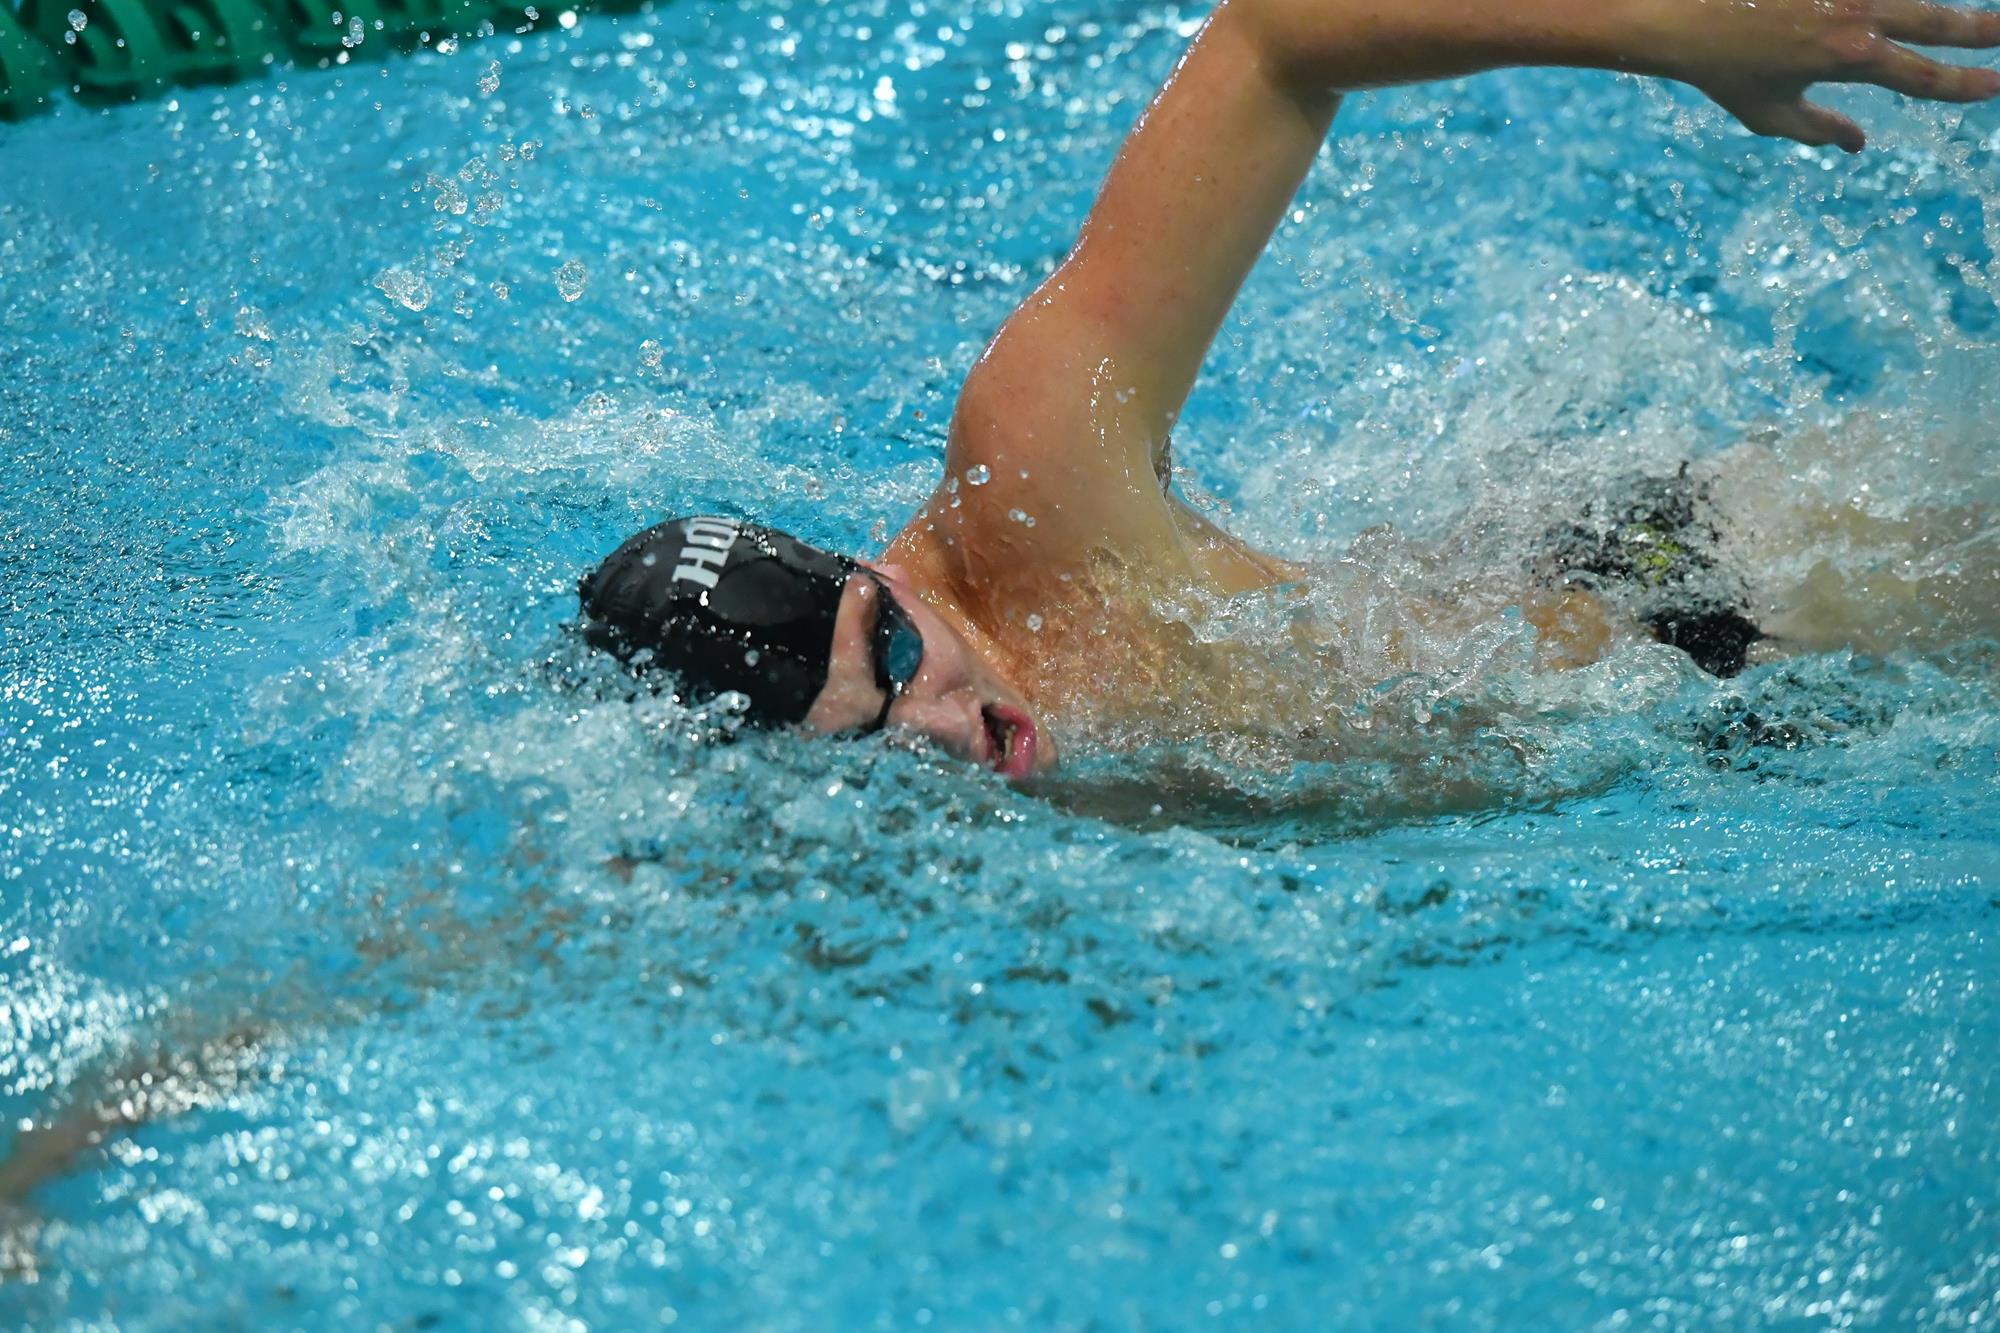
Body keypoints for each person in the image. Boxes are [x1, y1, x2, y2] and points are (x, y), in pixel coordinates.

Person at [579, 0, 2000, 778]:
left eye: (892, 654)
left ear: (867, 576)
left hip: (1702, 604)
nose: (945, 727)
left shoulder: (1032, 484)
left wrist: (1676, 32)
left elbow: (1277, 38)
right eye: (870, 761)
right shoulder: (895, 802)